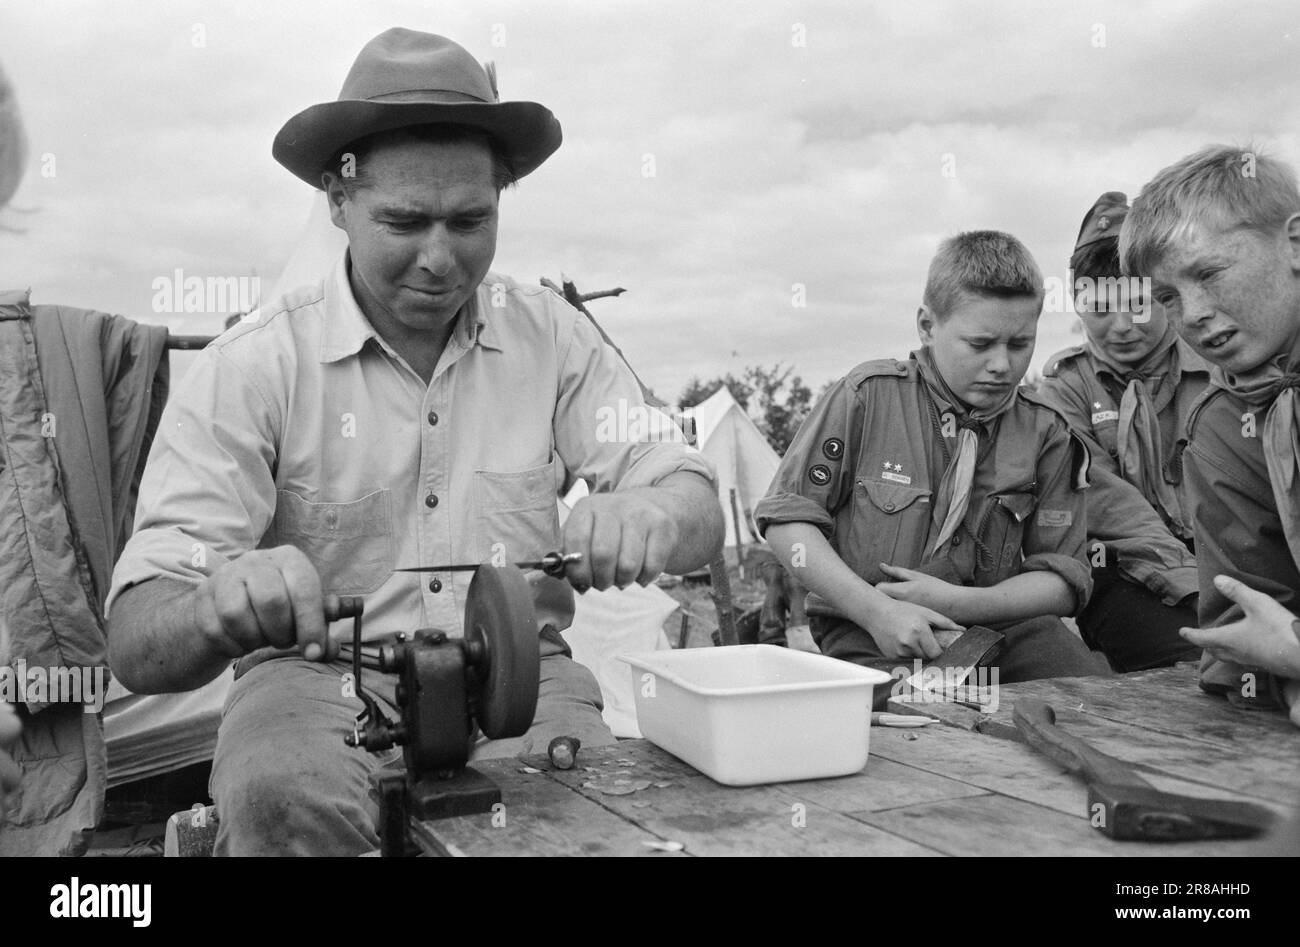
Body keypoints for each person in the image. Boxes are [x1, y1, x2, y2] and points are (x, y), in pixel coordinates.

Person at [106, 29, 723, 855]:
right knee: (283, 800)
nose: (440, 258)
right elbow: (137, 637)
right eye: (404, 220)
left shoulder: (555, 341)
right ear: (338, 197)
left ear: (502, 196)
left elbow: (692, 498)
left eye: (471, 219)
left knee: (575, 821)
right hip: (315, 678)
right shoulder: (253, 367)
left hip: (520, 682)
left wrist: (655, 511)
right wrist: (212, 607)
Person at [755, 231, 1109, 687]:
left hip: (998, 633)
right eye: (980, 345)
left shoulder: (1047, 432)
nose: (1002, 365)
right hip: (869, 634)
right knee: (911, 723)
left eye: (1020, 344)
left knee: (1087, 692)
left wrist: (958, 603)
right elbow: (788, 523)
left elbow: (1062, 581)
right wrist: (877, 611)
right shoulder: (866, 398)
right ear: (927, 325)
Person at [1120, 144, 1300, 725]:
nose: (1192, 314)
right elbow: (1238, 633)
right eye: (1167, 296)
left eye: (1210, 273)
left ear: (1295, 244)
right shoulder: (1224, 421)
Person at [1037, 192, 1205, 670]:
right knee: (1188, 665)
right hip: (1123, 568)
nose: (1122, 326)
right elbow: (1106, 503)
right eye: (1100, 308)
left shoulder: (1217, 365)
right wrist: (1189, 578)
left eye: (1138, 301)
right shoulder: (1063, 392)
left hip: (1226, 558)